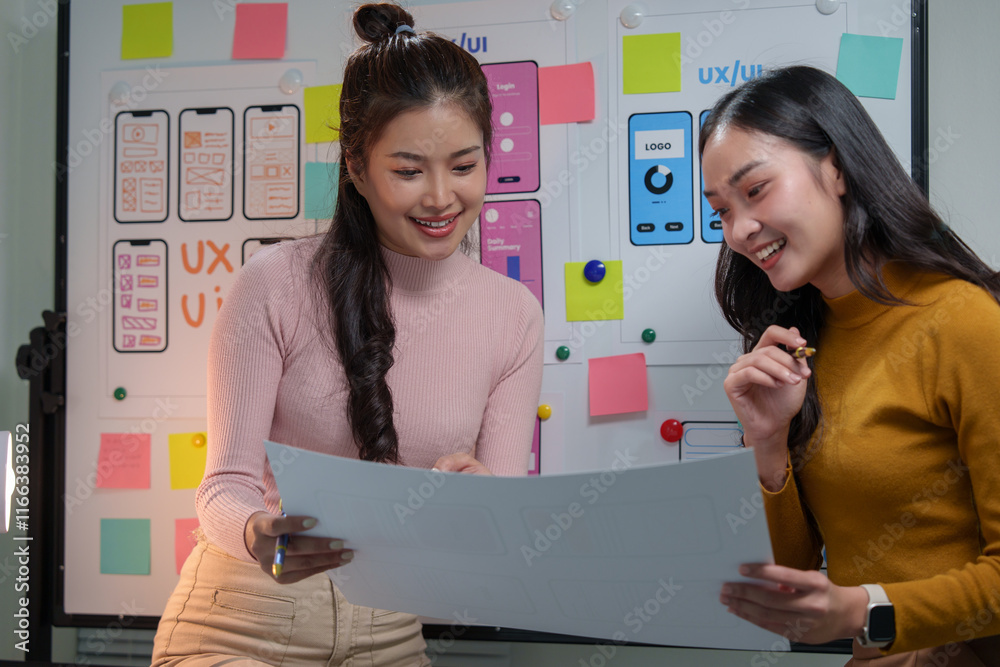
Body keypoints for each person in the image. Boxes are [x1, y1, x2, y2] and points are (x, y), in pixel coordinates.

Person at [152, 4, 544, 665]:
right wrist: (258, 533)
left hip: (389, 632)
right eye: (409, 169)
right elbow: (223, 486)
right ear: (358, 169)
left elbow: (498, 517)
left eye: (464, 164)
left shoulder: (514, 315)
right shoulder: (273, 282)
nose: (442, 197)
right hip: (244, 621)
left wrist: (483, 501)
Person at [700, 65, 1000, 665]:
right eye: (721, 212)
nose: (740, 230)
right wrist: (767, 444)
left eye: (755, 190)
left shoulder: (965, 322)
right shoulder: (800, 341)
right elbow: (791, 581)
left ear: (836, 167)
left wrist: (870, 611)